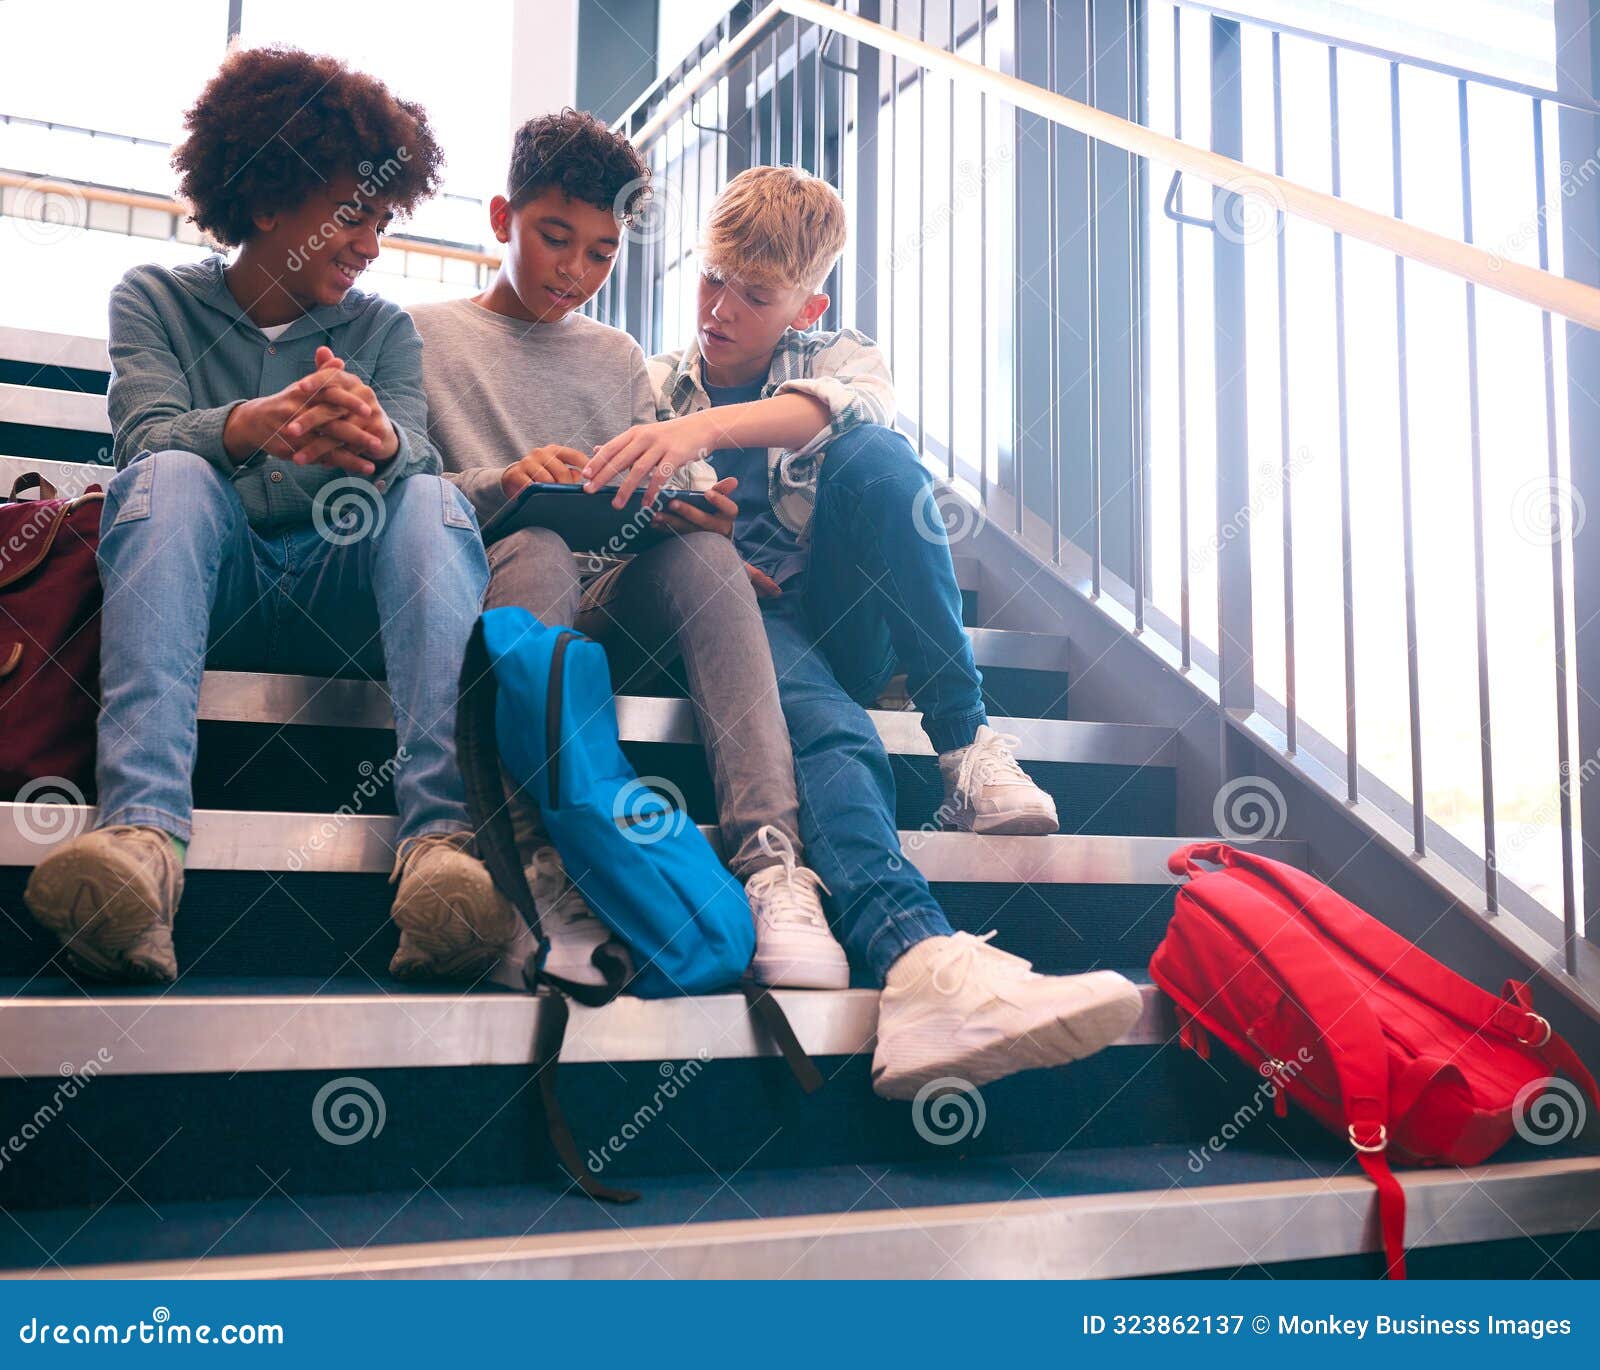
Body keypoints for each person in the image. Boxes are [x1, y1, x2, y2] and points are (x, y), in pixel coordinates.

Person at [582, 166, 1143, 1099]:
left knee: (880, 458)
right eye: (711, 279)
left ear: (807, 307)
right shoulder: (652, 384)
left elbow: (855, 412)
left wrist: (701, 435)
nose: (719, 309)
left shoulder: (842, 354)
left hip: (846, 617)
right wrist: (695, 541)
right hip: (741, 620)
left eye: (754, 295)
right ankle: (920, 963)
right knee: (835, 730)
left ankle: (963, 744)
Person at [24, 48, 514, 984]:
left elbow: (417, 458)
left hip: (343, 600)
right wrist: (253, 425)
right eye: (352, 214)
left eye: (383, 220)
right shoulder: (153, 299)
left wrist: (378, 441)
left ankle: (443, 848)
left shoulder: (383, 329)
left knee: (430, 496)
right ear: (266, 202)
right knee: (167, 477)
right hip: (213, 589)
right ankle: (142, 841)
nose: (371, 244)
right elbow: (144, 441)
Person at [409, 112, 846, 990]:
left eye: (602, 253)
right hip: (494, 598)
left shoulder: (617, 357)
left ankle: (773, 866)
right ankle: (533, 863)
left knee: (708, 560)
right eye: (554, 239)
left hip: (606, 601)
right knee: (536, 542)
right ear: (501, 219)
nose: (575, 271)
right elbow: (402, 501)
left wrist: (687, 514)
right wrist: (504, 483)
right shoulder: (420, 336)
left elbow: (656, 487)